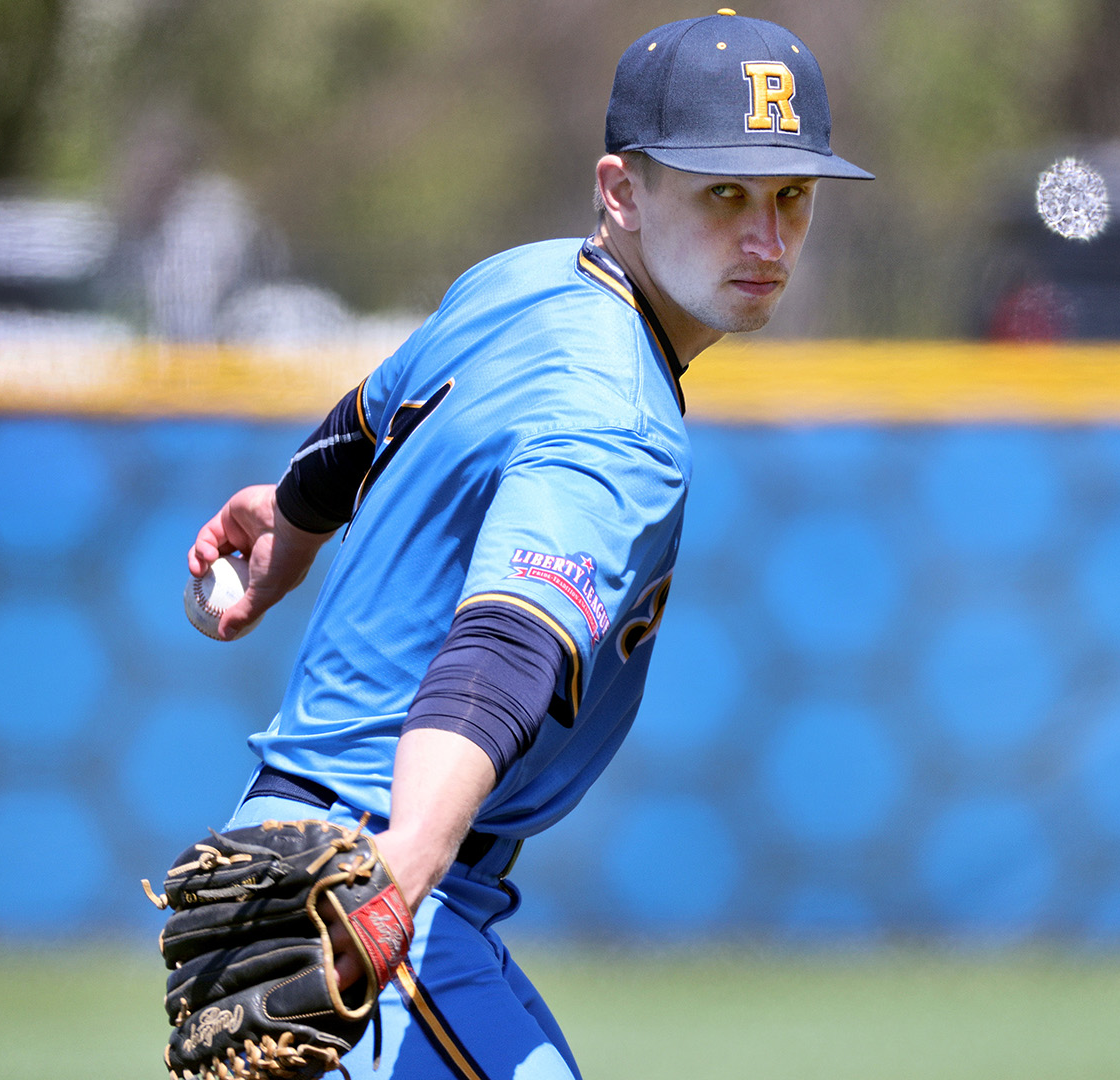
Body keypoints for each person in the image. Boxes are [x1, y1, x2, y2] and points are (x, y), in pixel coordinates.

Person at [185, 11, 870, 1079]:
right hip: (370, 891)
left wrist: (290, 518)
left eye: (791, 197)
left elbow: (368, 420)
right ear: (622, 190)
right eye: (723, 193)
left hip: (323, 855)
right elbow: (504, 646)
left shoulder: (523, 282)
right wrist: (398, 878)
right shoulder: (622, 422)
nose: (766, 238)